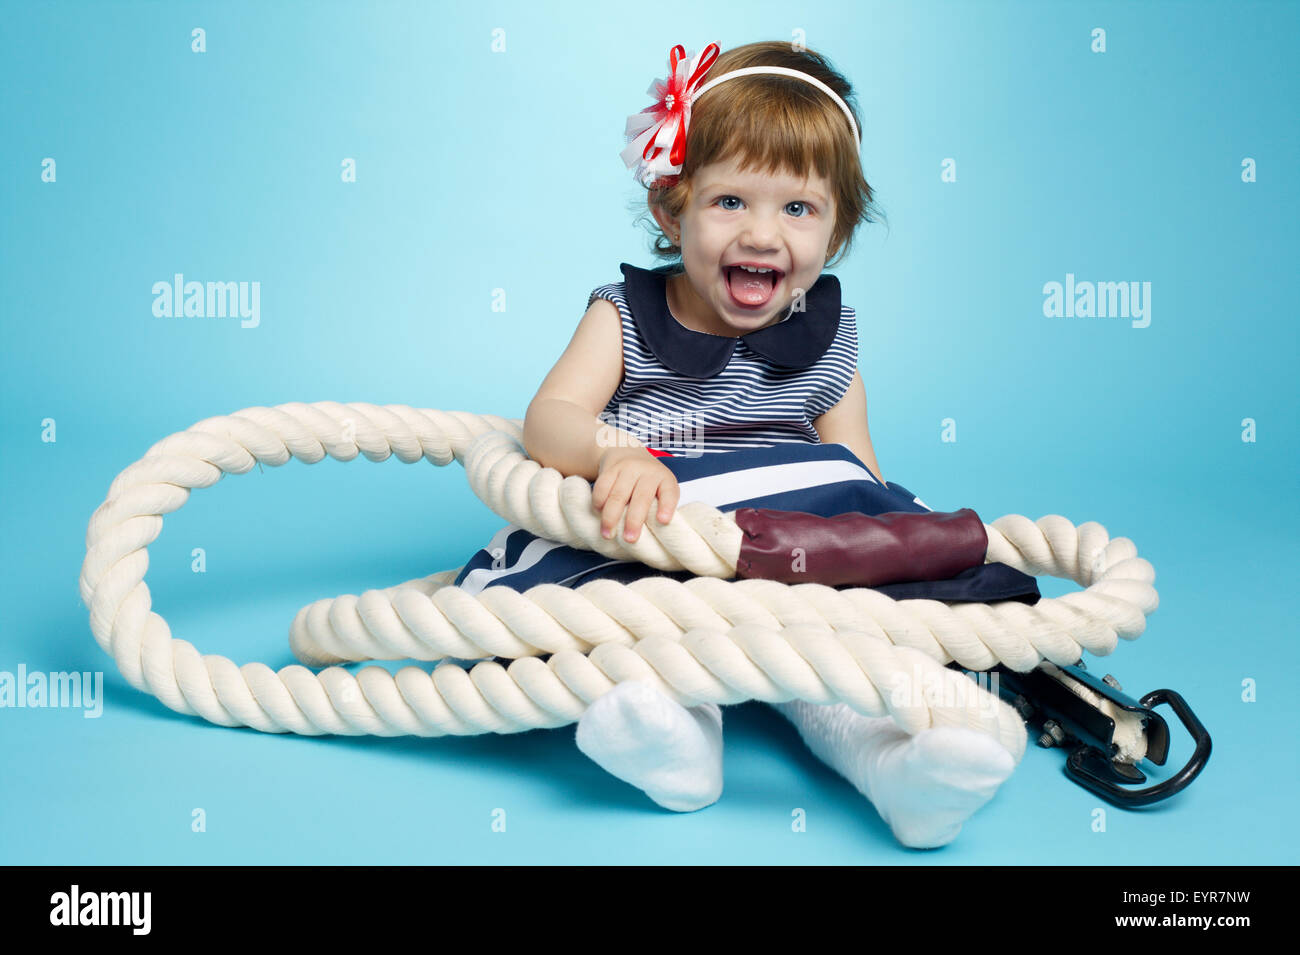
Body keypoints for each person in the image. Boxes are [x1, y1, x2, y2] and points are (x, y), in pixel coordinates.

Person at [467, 40, 1020, 848]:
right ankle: (679, 743)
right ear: (672, 209)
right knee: (659, 633)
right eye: (730, 201)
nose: (762, 235)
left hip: (783, 554)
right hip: (660, 536)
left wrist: (868, 570)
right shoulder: (625, 316)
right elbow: (549, 418)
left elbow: (855, 472)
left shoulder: (830, 341)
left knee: (826, 656)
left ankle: (900, 770)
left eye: (798, 209)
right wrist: (617, 454)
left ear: (838, 230)